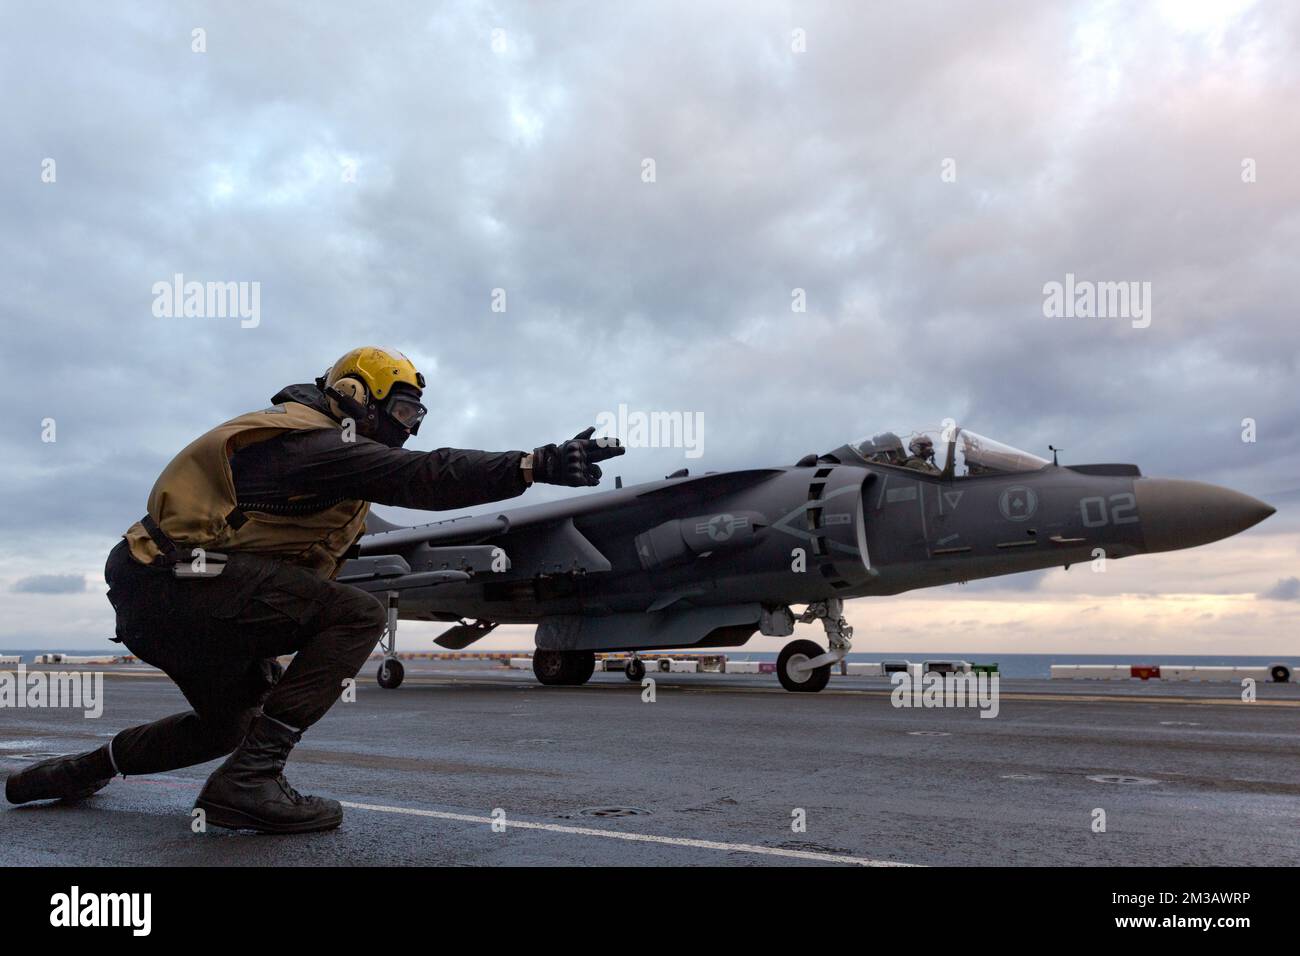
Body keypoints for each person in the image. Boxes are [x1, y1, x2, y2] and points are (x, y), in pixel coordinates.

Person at [4, 346, 623, 833]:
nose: (405, 429)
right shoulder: (314, 443)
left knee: (227, 725)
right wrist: (531, 464)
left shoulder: (331, 462)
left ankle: (83, 769)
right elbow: (424, 476)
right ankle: (250, 782)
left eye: (416, 418)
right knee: (356, 615)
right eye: (401, 412)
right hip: (178, 583)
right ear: (356, 398)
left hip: (166, 597)